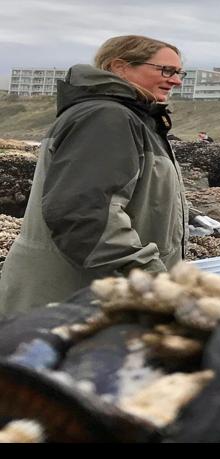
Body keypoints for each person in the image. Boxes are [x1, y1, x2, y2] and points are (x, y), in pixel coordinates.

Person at [0, 35, 190, 315]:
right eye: (166, 70)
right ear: (119, 67)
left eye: (179, 72)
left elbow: (131, 191)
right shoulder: (105, 117)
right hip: (70, 302)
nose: (176, 81)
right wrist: (152, 276)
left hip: (96, 299)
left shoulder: (133, 118)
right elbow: (84, 214)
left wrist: (183, 214)